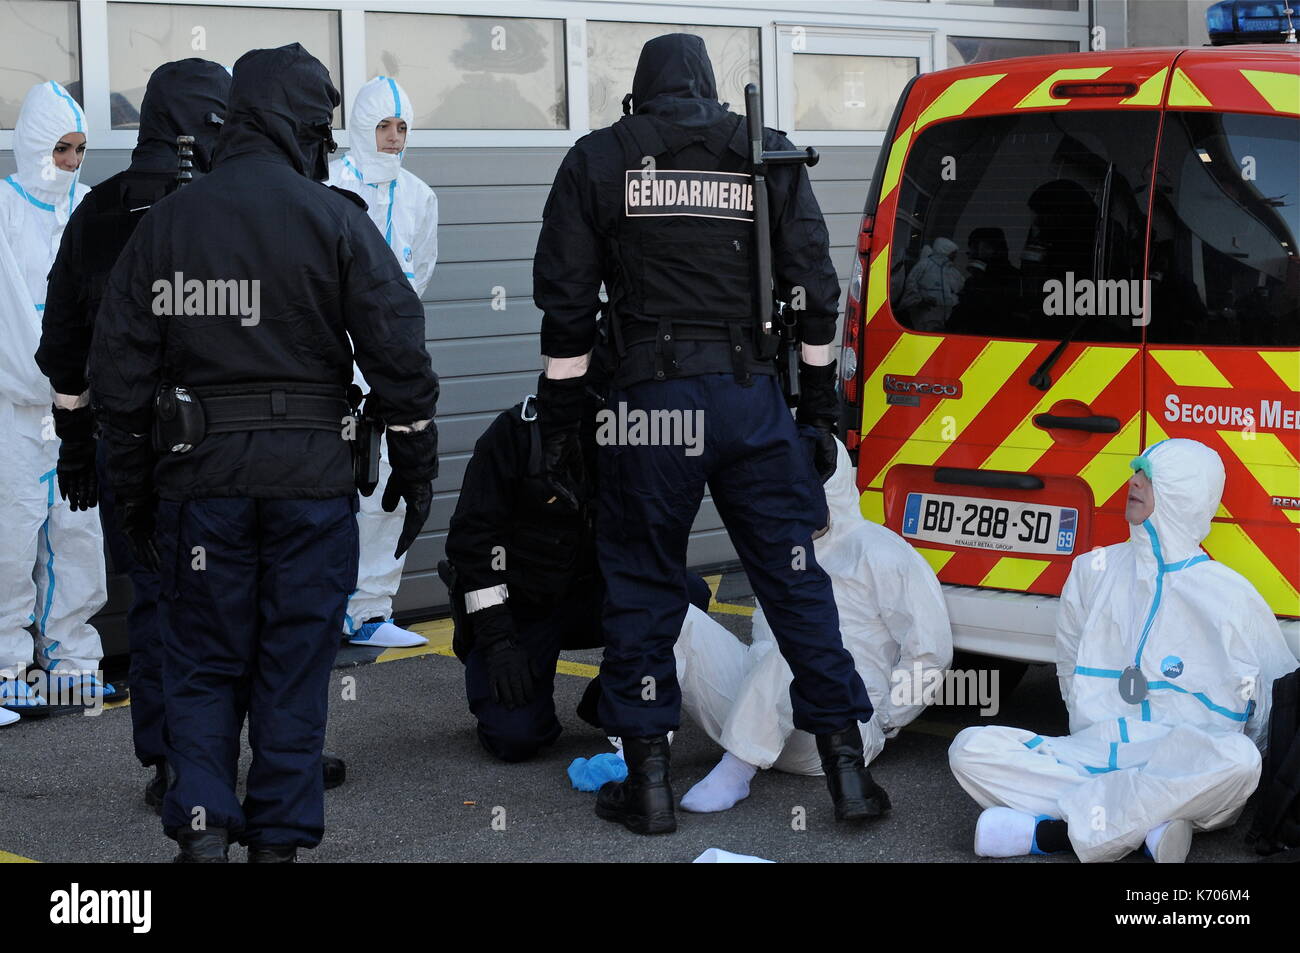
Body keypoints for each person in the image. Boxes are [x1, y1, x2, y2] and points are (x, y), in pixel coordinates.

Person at [89, 43, 439, 863]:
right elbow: (399, 353)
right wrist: (417, 463)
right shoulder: (335, 216)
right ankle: (277, 845)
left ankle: (204, 834)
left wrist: (136, 497)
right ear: (303, 124)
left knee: (203, 665)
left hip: (201, 486)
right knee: (293, 666)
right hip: (310, 489)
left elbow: (118, 372)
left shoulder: (170, 221)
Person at [532, 33, 883, 836]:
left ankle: (649, 786)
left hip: (650, 407)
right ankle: (848, 774)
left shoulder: (600, 159)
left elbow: (567, 312)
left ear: (641, 92)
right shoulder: (767, 157)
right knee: (795, 585)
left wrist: (560, 425)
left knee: (644, 585)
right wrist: (820, 411)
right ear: (709, 88)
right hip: (751, 400)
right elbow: (818, 293)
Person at [948, 438, 1299, 863]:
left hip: (1184, 764)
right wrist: (1091, 729)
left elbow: (1273, 716)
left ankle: (1049, 834)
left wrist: (1194, 772)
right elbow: (1069, 665)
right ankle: (1150, 824)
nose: (1132, 482)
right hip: (1094, 753)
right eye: (1135, 473)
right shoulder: (1092, 572)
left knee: (1240, 761)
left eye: (1148, 478)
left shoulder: (1230, 596)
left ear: (1182, 494)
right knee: (968, 748)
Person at [37, 58, 230, 808]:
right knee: (233, 605)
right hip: (220, 449)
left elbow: (63, 343)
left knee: (155, 605)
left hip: (128, 452)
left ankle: (169, 762)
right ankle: (259, 758)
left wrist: (75, 442)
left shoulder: (99, 210)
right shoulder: (228, 205)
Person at [675, 436, 952, 811]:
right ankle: (633, 752)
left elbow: (930, 651)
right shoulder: (778, 549)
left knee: (803, 643)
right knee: (673, 614)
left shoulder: (880, 552)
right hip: (757, 710)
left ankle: (735, 771)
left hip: (837, 734)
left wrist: (885, 719)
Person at [442, 385, 710, 762]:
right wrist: (498, 639)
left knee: (687, 596)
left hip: (596, 598)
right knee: (516, 738)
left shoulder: (638, 434)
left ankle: (609, 698)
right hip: (522, 607)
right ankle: (489, 658)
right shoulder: (515, 435)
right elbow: (472, 547)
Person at [0, 80, 112, 719]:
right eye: (61, 149)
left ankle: (73, 664)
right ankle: (8, 668)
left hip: (82, 402)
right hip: (18, 407)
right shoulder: (7, 209)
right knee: (13, 533)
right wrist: (42, 383)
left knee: (78, 527)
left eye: (79, 149)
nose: (71, 162)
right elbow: (10, 313)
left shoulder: (90, 208)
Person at [326, 76, 438, 649]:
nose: (394, 139)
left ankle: (370, 610)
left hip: (388, 368)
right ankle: (318, 611)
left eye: (402, 128)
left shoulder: (420, 197)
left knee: (385, 487)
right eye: (384, 127)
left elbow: (416, 284)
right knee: (324, 488)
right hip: (330, 368)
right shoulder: (327, 185)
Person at [899, 237, 964, 332]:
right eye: (953, 253)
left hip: (946, 320)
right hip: (924, 318)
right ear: (946, 250)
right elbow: (910, 285)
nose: (955, 256)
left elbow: (960, 290)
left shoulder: (953, 271)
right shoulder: (924, 265)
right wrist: (919, 301)